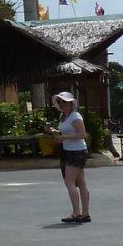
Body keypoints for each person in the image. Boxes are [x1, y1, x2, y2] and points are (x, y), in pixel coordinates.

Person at [52, 91, 90, 224]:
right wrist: (55, 132)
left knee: (69, 182)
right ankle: (84, 214)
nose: (61, 104)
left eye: (63, 101)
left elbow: (82, 134)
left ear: (70, 103)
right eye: (59, 102)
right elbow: (67, 132)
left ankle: (76, 213)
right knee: (80, 183)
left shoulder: (75, 116)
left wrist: (64, 137)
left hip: (77, 151)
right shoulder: (64, 116)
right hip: (69, 150)